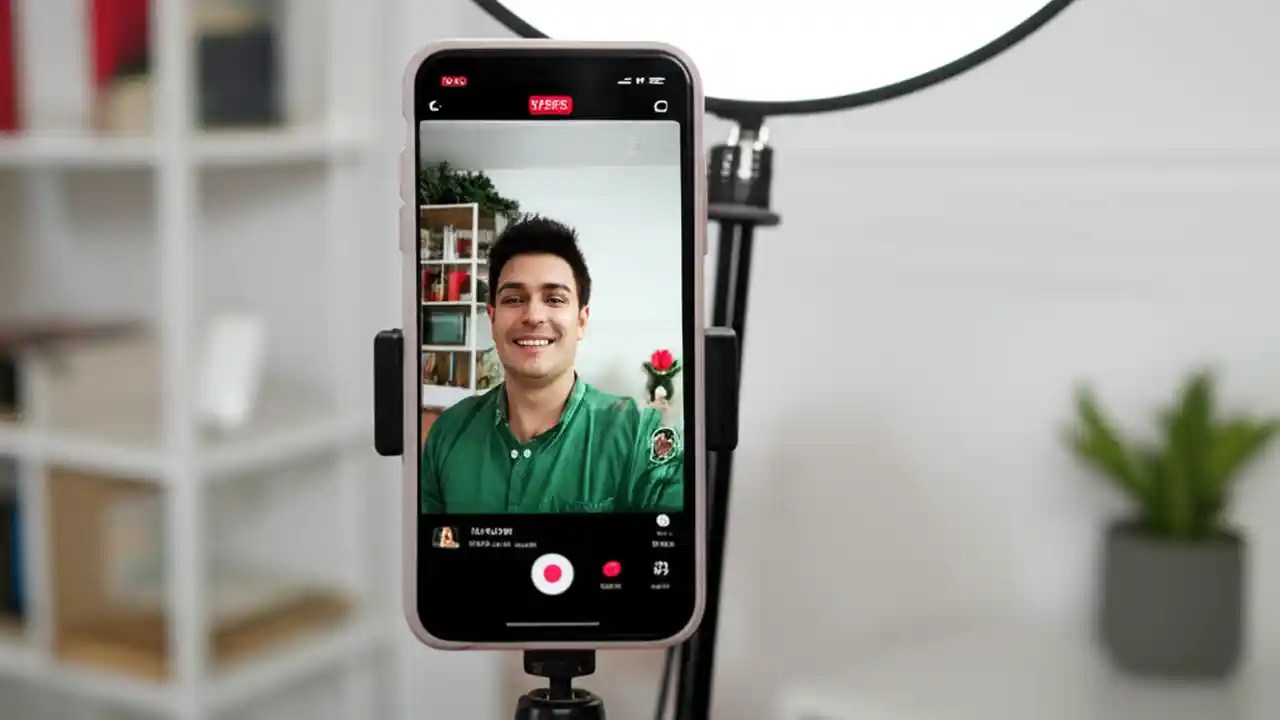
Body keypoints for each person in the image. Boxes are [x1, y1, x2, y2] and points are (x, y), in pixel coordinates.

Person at [420, 214, 684, 514]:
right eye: (514, 299)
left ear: (581, 321)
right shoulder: (448, 434)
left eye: (555, 299)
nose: (533, 316)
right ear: (492, 320)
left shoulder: (643, 439)